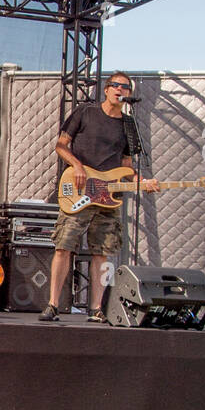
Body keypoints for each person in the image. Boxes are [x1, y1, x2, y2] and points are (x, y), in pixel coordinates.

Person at [39, 71, 159, 323]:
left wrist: (142, 182)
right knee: (63, 247)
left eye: (126, 87)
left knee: (102, 252)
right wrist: (78, 167)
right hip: (79, 189)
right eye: (116, 85)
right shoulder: (86, 112)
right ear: (106, 89)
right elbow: (61, 145)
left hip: (108, 198)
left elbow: (126, 166)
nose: (121, 90)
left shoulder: (129, 125)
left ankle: (95, 308)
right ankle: (52, 304)